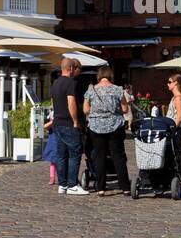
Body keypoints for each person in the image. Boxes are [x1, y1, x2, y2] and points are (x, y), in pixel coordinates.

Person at [83, 65, 131, 196]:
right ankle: (125, 187)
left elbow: (85, 110)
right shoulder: (117, 89)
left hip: (96, 126)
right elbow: (125, 109)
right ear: (111, 75)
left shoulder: (91, 90)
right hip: (115, 125)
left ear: (99, 75)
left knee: (99, 156)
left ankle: (101, 187)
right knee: (118, 156)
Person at [51, 57, 87, 195]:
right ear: (71, 68)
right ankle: (72, 184)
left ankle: (62, 184)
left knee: (61, 155)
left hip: (58, 123)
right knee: (74, 153)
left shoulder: (55, 83)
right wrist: (76, 121)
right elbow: (71, 102)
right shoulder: (70, 83)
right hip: (68, 123)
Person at [166, 73, 181, 187]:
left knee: (178, 153)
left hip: (176, 130)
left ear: (176, 83)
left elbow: (179, 117)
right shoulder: (174, 97)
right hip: (172, 129)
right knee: (173, 153)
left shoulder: (179, 98)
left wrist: (172, 128)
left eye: (170, 82)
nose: (168, 84)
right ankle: (174, 176)